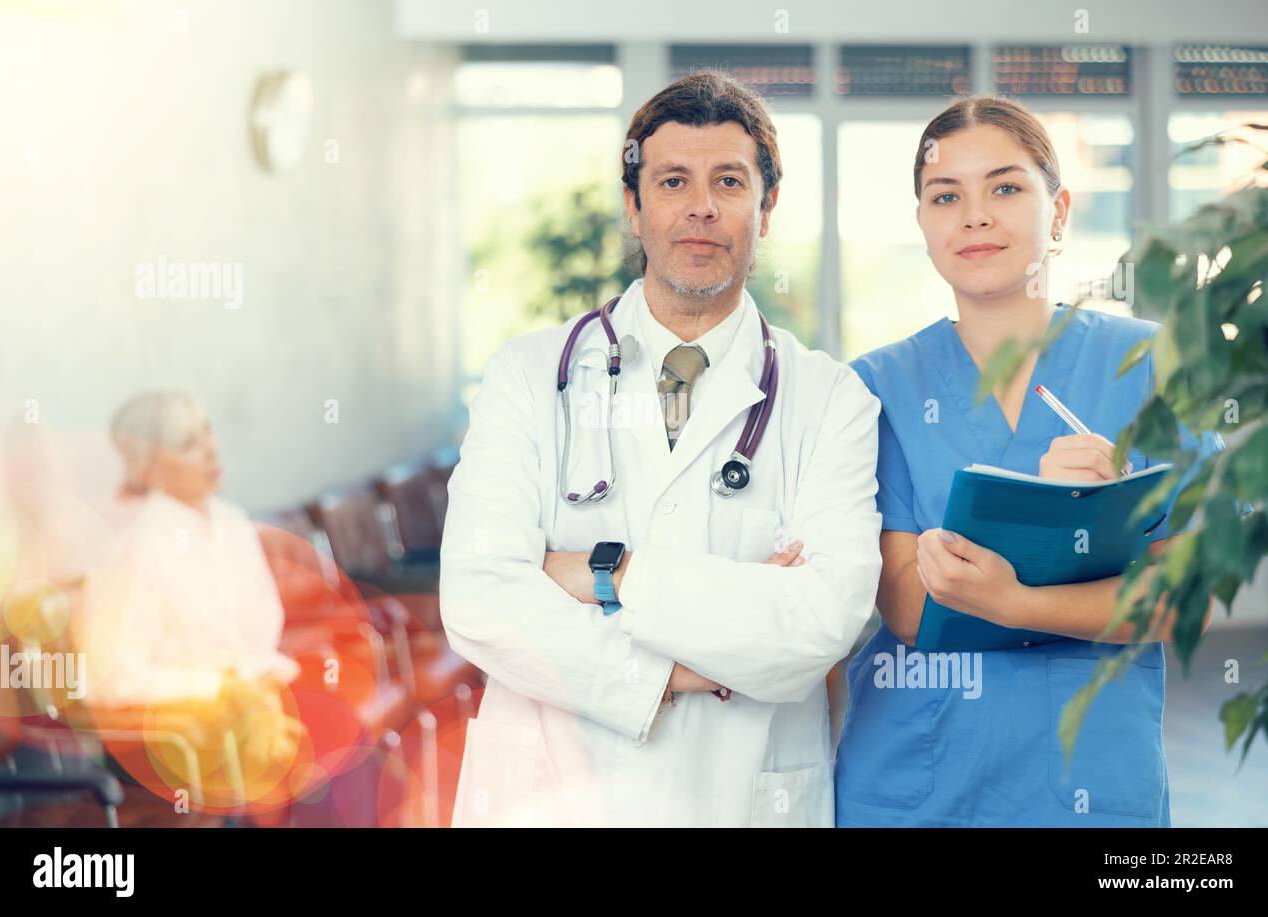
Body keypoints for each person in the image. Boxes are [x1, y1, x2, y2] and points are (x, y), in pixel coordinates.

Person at [440, 71, 883, 827]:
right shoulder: (527, 374)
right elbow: (481, 598)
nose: (701, 206)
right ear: (633, 207)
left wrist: (604, 575)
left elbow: (818, 623)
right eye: (673, 180)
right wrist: (662, 674)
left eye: (730, 181)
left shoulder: (832, 398)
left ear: (766, 208)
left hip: (744, 793)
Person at [833, 95, 1221, 827]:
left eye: (1006, 187)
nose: (975, 216)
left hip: (1094, 790)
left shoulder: (1149, 364)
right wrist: (1083, 541)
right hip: (916, 788)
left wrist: (1012, 595)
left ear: (1061, 210)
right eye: (945, 196)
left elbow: (1182, 593)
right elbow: (912, 606)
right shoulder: (876, 386)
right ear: (923, 223)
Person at [77, 391, 304, 809]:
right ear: (148, 468)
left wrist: (251, 686)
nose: (210, 449)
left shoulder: (232, 523)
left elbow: (262, 631)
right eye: (187, 444)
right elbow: (111, 682)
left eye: (208, 433)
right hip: (172, 743)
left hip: (248, 717)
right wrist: (220, 688)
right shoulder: (130, 548)